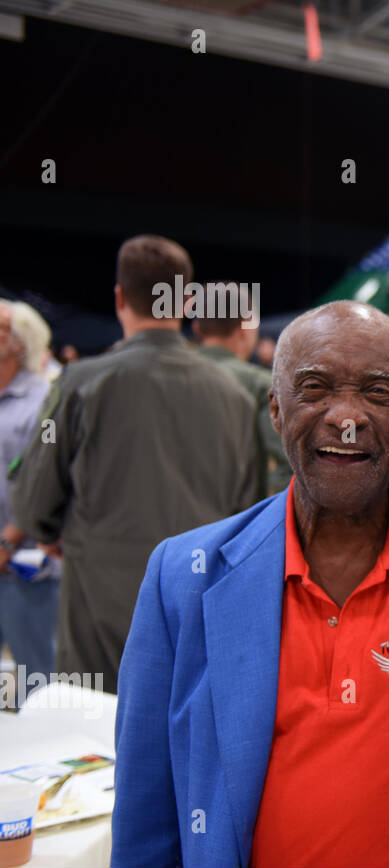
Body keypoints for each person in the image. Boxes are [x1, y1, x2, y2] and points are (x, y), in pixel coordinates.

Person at [112, 302, 389, 867]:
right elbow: (146, 817)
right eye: (315, 389)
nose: (346, 418)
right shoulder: (183, 578)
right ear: (275, 409)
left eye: (377, 393)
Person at [7, 235, 260, 694]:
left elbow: (33, 500)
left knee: (97, 740)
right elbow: (248, 515)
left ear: (120, 297)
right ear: (186, 301)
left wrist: (50, 534)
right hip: (196, 606)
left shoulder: (81, 382)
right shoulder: (235, 397)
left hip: (97, 607)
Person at [0, 301, 60, 690]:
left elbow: (45, 478)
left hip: (23, 566)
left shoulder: (44, 401)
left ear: (17, 343)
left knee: (37, 679)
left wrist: (8, 540)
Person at [194, 305, 292, 497]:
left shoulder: (164, 380)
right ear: (245, 329)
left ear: (197, 329)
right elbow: (287, 461)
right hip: (240, 518)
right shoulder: (261, 385)